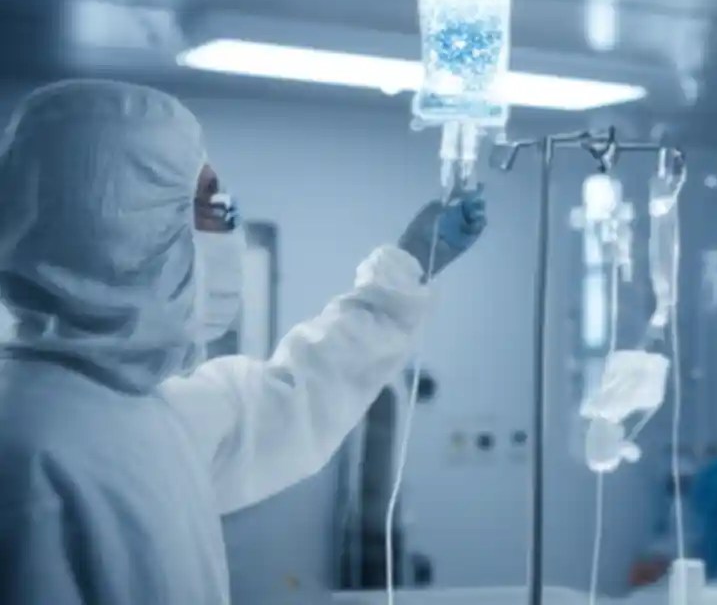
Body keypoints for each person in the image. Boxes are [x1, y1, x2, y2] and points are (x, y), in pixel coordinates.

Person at [0, 80, 487, 604]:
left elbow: (297, 392)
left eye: (225, 210)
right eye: (207, 206)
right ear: (115, 230)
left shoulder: (149, 410)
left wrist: (410, 262)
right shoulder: (31, 451)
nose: (223, 234)